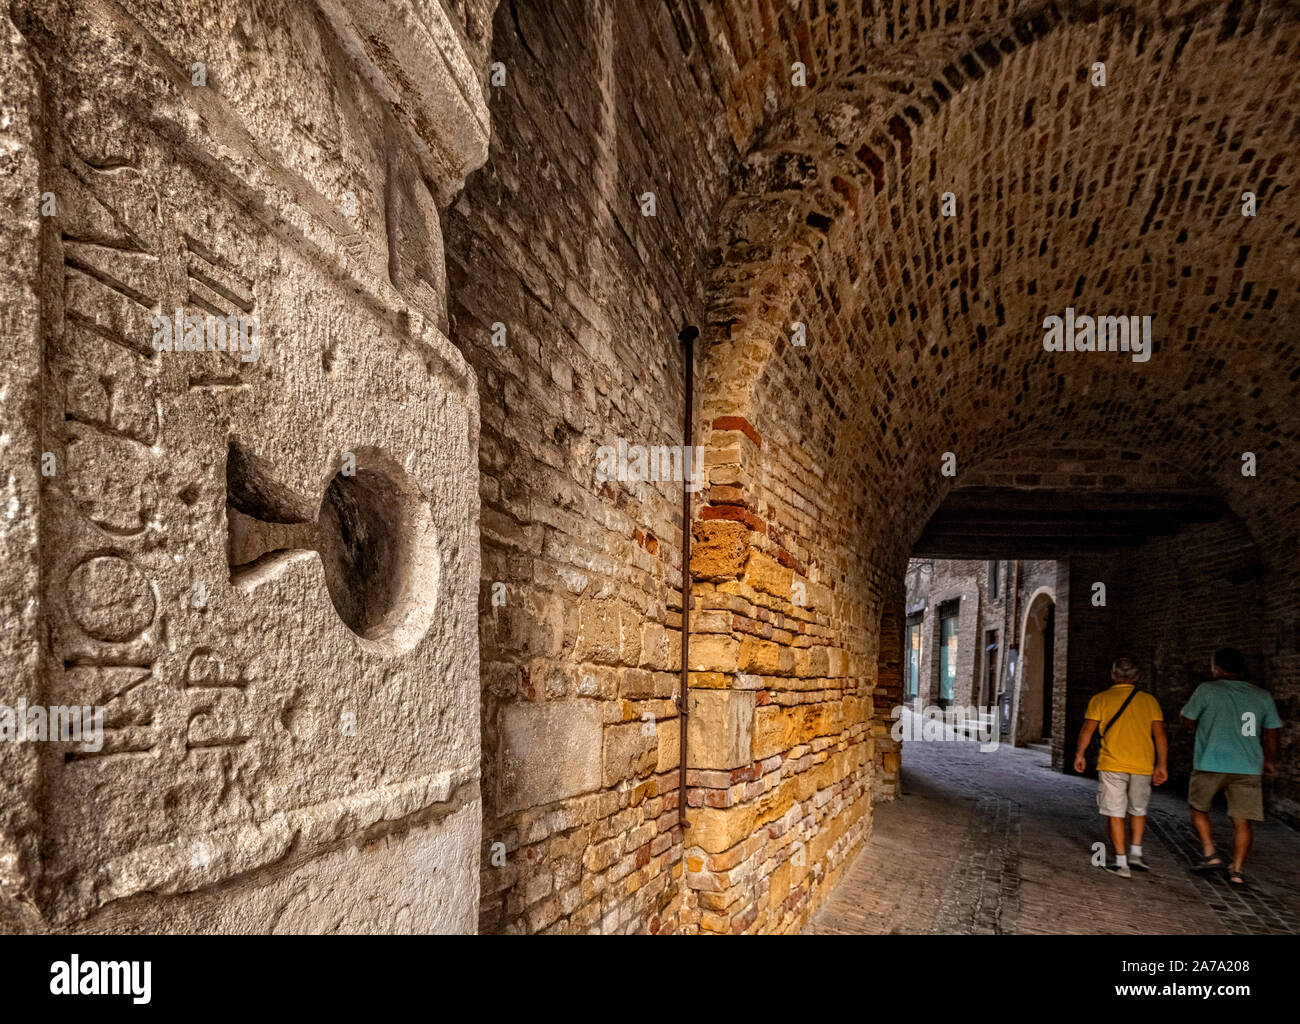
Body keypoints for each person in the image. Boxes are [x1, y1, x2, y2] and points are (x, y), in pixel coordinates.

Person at [1180, 647, 1282, 886]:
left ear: (1217, 667)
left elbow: (1187, 720)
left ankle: (1209, 853)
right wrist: (1269, 761)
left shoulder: (1207, 690)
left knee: (1198, 807)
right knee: (1242, 820)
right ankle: (1236, 870)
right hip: (1247, 766)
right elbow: (1271, 733)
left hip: (1209, 762)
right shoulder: (1262, 695)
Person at [1074, 656, 1167, 877]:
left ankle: (1121, 862)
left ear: (1113, 675)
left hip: (1112, 763)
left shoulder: (1101, 699)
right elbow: (1160, 736)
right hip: (1143, 764)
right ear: (1137, 677)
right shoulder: (1149, 701)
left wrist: (1080, 754)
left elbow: (1088, 729)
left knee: (1115, 811)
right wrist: (1161, 764)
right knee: (1138, 809)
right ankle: (1136, 852)